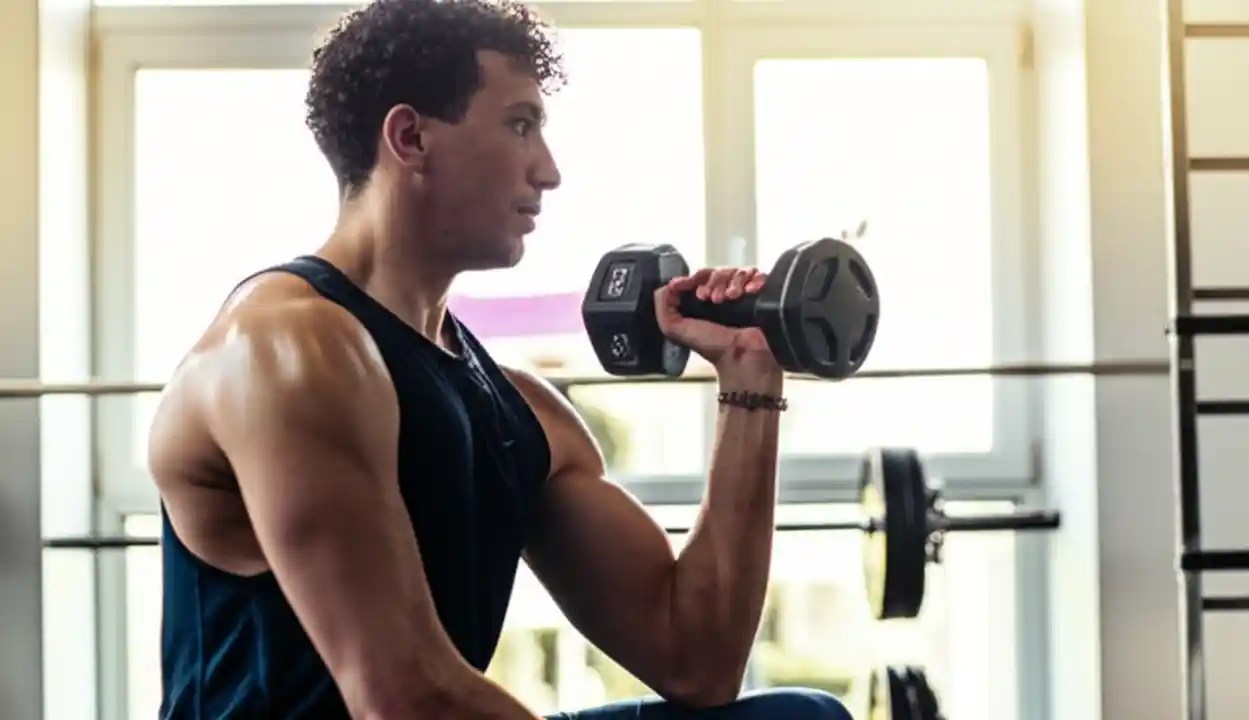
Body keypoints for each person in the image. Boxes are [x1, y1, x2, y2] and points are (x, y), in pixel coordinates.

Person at [147, 1, 854, 718]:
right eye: (520, 125)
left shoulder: (522, 413)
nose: (548, 172)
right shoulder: (286, 352)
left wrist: (748, 380)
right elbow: (402, 698)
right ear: (410, 137)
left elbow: (696, 659)